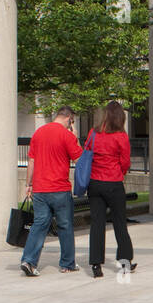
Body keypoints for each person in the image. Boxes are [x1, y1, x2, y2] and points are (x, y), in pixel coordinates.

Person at [20, 106, 83, 276]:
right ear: (69, 119)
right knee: (65, 226)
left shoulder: (39, 133)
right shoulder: (66, 135)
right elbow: (80, 160)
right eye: (72, 121)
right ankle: (67, 264)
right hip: (60, 188)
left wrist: (29, 184)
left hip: (39, 188)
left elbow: (31, 161)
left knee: (39, 224)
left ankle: (29, 261)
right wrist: (75, 138)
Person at [86, 100, 136, 278]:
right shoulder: (121, 136)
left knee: (97, 223)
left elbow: (87, 152)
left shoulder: (94, 133)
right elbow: (125, 161)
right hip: (113, 182)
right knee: (119, 223)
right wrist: (120, 172)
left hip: (95, 183)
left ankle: (95, 264)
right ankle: (124, 261)